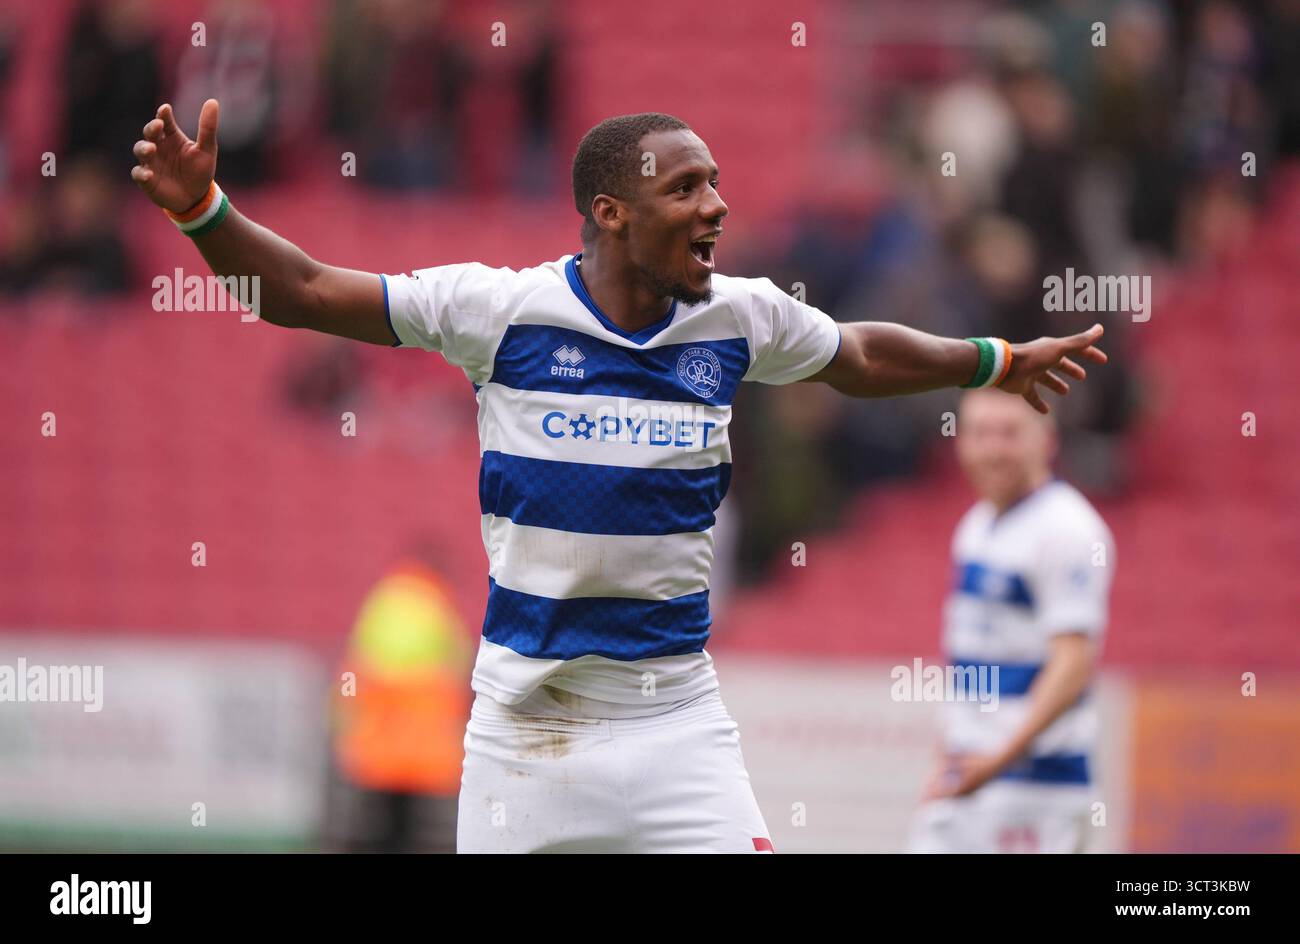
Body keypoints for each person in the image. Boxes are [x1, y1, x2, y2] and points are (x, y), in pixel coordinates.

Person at [130, 100, 1107, 853]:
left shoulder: (739, 316)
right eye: (685, 188)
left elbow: (856, 352)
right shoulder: (499, 311)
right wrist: (202, 210)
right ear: (610, 211)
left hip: (674, 721)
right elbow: (302, 292)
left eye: (714, 183)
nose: (715, 205)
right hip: (525, 731)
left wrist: (988, 358)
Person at [905, 389, 1115, 853]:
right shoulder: (976, 525)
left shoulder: (1069, 529)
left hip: (1037, 788)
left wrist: (997, 758)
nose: (993, 449)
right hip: (967, 778)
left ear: (1047, 439)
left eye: (1010, 434)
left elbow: (1073, 664)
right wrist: (950, 752)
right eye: (980, 434)